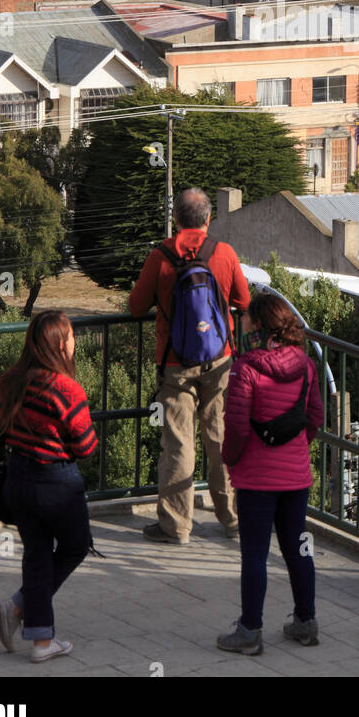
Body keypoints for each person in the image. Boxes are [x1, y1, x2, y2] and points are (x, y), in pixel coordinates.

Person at [128, 187, 251, 545]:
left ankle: (177, 527)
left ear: (175, 220)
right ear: (208, 219)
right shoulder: (224, 253)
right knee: (221, 439)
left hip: (175, 364)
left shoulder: (160, 256)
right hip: (220, 361)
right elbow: (243, 300)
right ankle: (233, 521)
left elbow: (136, 306)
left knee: (180, 445)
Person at [0, 310, 98, 663]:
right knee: (77, 546)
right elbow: (86, 447)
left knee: (36, 556)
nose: (75, 341)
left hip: (18, 480)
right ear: (60, 344)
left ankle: (41, 641)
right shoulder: (66, 389)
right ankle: (20, 609)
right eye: (71, 335)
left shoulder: (10, 381)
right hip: (57, 484)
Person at [217, 289, 324, 656]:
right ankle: (305, 622)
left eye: (246, 318)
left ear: (259, 325)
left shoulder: (245, 368)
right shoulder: (306, 365)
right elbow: (315, 420)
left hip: (256, 479)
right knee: (299, 549)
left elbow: (236, 427)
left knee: (255, 555)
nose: (241, 322)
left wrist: (230, 459)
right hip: (296, 477)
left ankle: (250, 630)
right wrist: (294, 448)